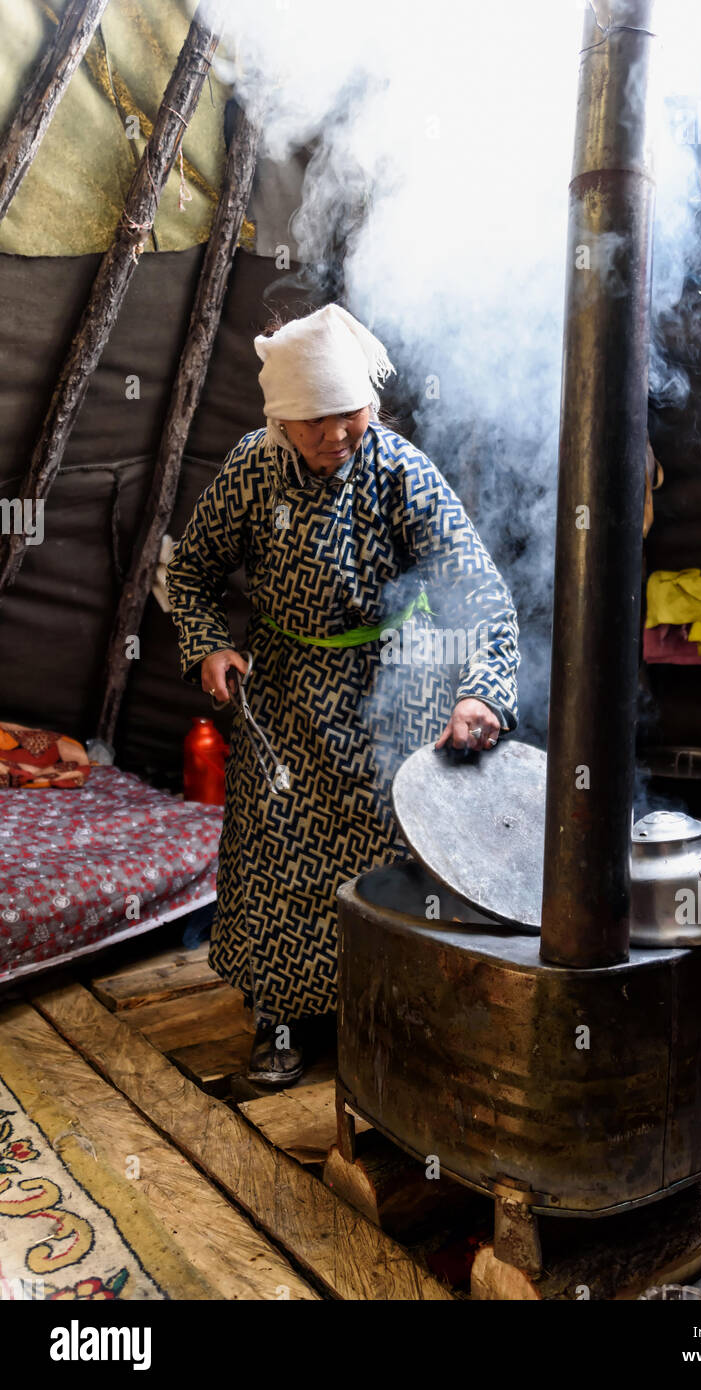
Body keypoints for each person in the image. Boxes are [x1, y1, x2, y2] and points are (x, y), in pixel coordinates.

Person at [166, 304, 520, 1087]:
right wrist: (209, 643)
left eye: (350, 414)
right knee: (280, 853)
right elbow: (188, 572)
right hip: (288, 691)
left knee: (397, 861)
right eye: (315, 420)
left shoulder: (400, 471)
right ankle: (282, 1020)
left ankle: (395, 1014)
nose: (336, 434)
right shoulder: (251, 472)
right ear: (282, 419)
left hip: (397, 688)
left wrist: (480, 694)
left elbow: (481, 596)